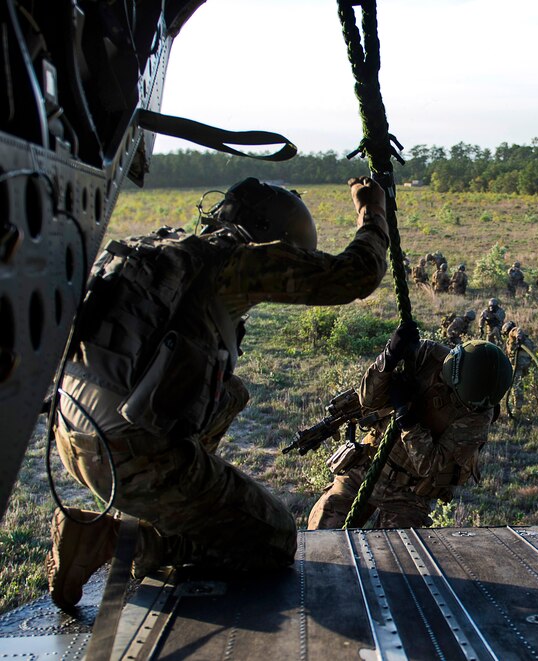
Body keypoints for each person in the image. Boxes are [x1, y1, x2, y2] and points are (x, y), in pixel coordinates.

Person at [47, 176, 390, 610]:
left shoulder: (166, 251)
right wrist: (371, 209)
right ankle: (114, 540)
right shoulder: (234, 261)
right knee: (275, 541)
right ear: (273, 240)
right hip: (131, 455)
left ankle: (169, 504)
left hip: (73, 437)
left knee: (231, 392)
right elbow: (353, 277)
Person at [307, 325, 512, 528]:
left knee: (397, 555)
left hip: (410, 493)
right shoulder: (426, 355)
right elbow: (367, 400)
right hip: (368, 464)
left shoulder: (479, 416)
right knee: (324, 533)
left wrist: (407, 420)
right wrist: (389, 358)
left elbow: (430, 465)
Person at [501, 320, 535, 414]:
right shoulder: (510, 341)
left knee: (517, 386)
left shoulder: (514, 332)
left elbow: (518, 331)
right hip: (522, 365)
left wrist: (518, 338)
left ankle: (517, 409)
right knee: (519, 385)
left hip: (520, 365)